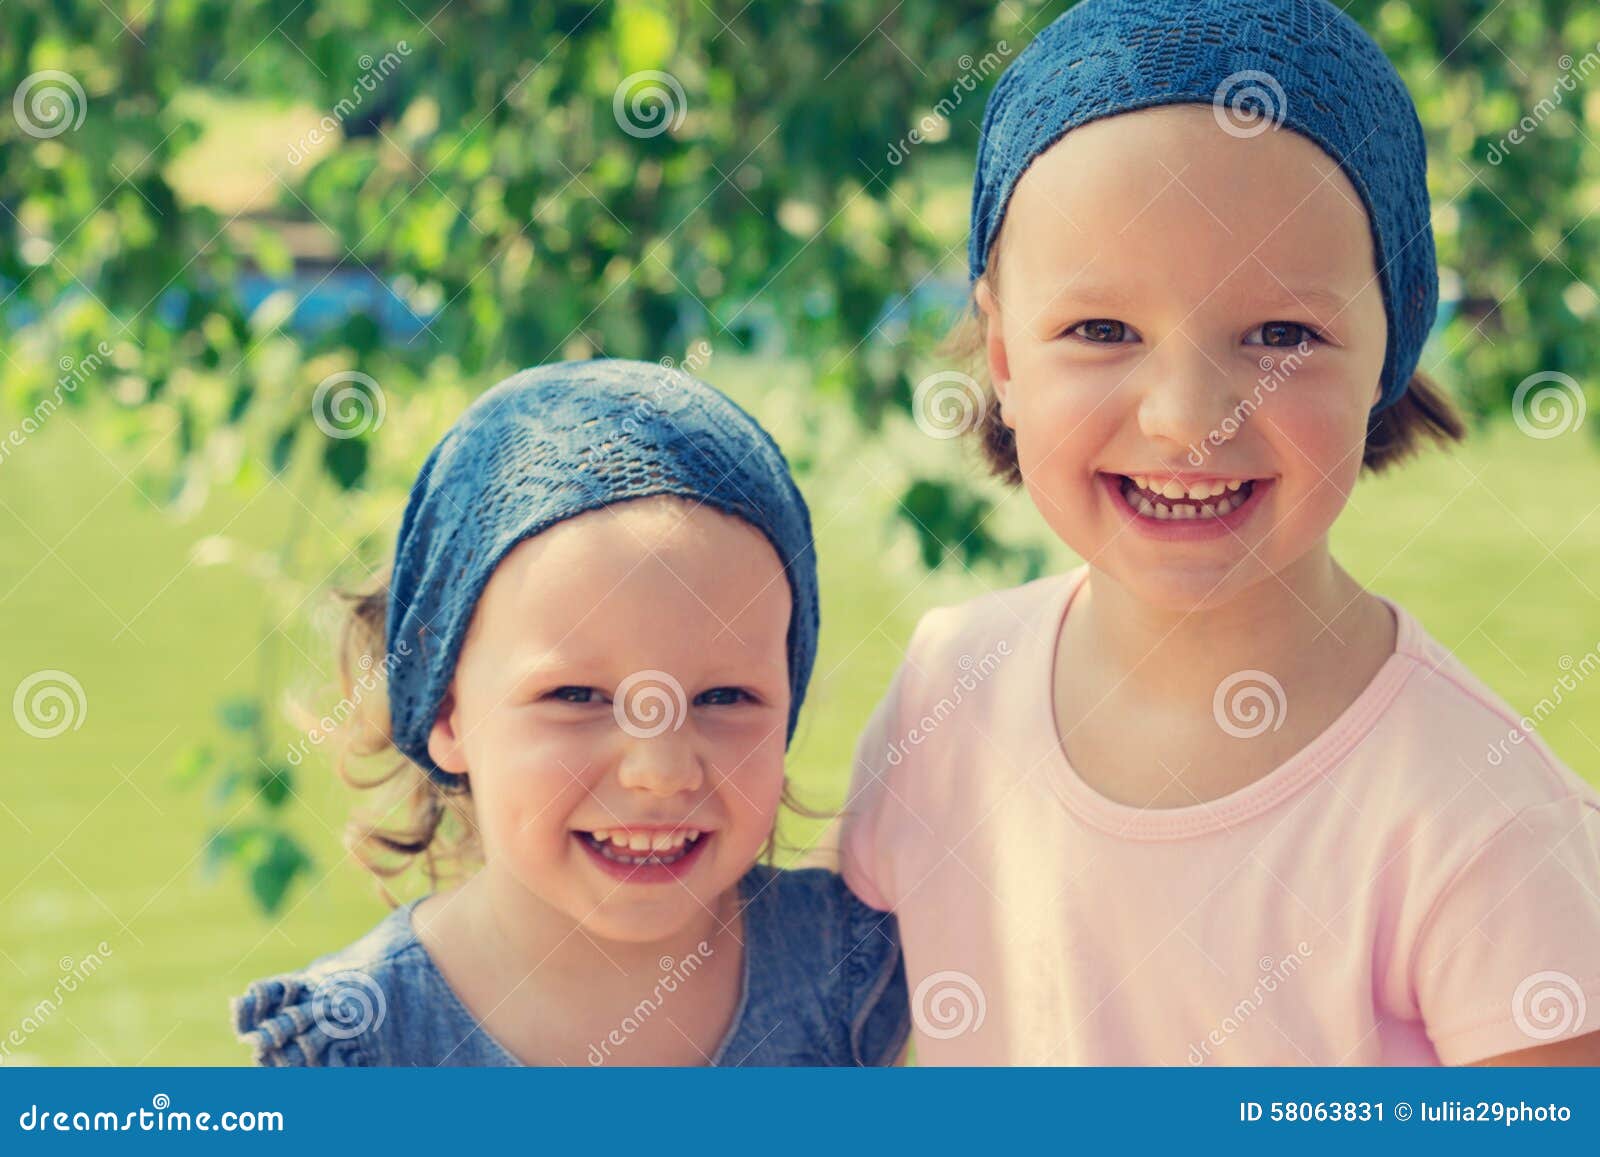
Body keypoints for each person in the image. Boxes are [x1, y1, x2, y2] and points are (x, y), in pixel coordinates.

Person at [839, 0, 1600, 1065]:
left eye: (1281, 334)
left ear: (1389, 352)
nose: (1191, 416)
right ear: (1004, 358)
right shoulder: (945, 694)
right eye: (1101, 330)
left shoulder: (1474, 815)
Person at [234, 359, 908, 1066]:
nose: (660, 769)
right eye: (578, 696)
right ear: (446, 708)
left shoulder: (851, 968)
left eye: (723, 698)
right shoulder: (358, 1046)